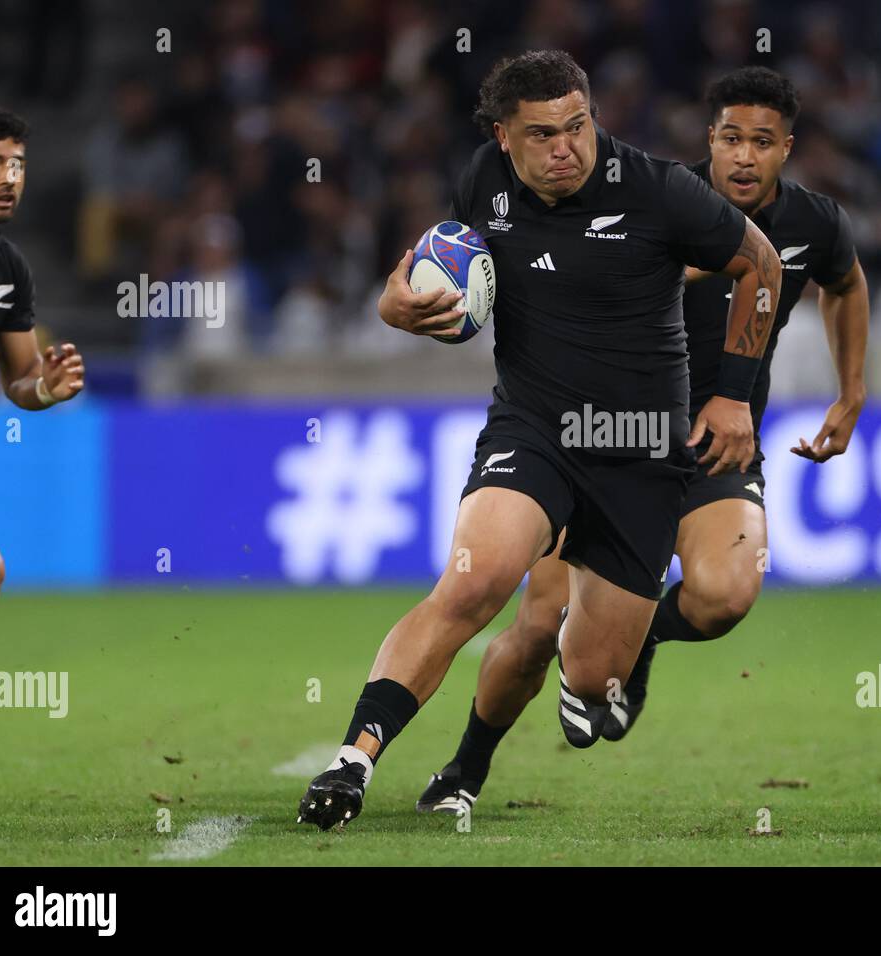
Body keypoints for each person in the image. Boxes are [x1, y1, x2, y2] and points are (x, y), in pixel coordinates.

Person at [296, 51, 781, 830]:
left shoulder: (658, 191)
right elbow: (427, 266)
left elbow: (760, 262)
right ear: (503, 136)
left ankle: (566, 647)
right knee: (472, 584)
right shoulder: (481, 182)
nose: (567, 148)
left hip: (641, 453)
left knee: (594, 680)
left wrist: (730, 393)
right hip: (535, 432)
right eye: (543, 134)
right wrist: (394, 301)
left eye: (578, 127)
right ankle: (352, 761)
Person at [417, 66, 870, 816]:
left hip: (714, 444)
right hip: (606, 443)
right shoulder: (660, 199)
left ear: (788, 149)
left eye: (763, 142)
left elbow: (846, 285)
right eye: (730, 139)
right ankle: (465, 769)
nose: (744, 158)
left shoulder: (816, 225)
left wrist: (852, 390)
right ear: (710, 142)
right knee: (535, 630)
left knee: (726, 595)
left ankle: (634, 641)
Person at [0, 103, 86, 623]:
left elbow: (19, 377)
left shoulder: (8, 268)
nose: (7, 177)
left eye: (15, 164)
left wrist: (46, 388)